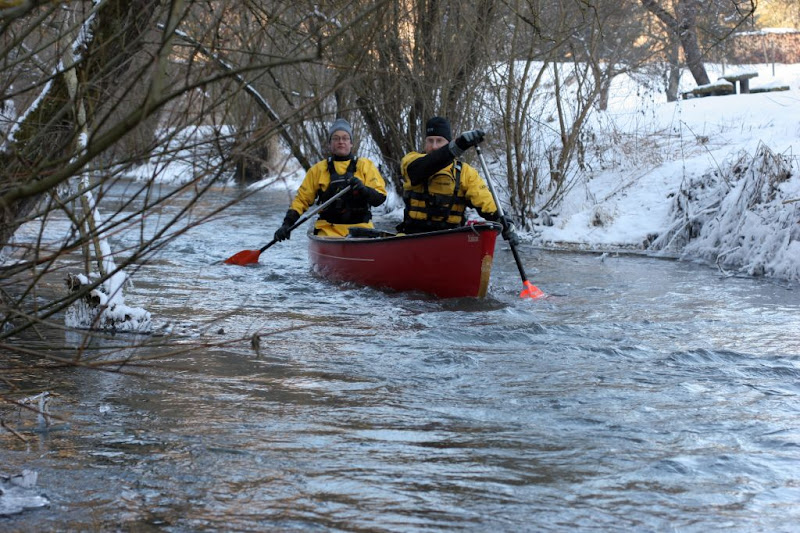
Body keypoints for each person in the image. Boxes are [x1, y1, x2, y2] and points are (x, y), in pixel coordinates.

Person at [398, 116, 519, 243]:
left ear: (448, 142)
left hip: (452, 240)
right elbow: (424, 167)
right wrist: (459, 145)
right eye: (430, 141)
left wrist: (505, 222)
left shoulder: (466, 173)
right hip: (413, 237)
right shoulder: (411, 161)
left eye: (439, 141)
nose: (434, 146)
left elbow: (486, 203)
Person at [274, 118, 387, 240]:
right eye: (336, 138)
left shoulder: (366, 166)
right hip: (327, 231)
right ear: (330, 144)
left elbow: (379, 198)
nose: (341, 142)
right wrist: (287, 224)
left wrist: (364, 189)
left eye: (345, 138)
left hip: (362, 230)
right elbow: (301, 200)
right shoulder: (318, 170)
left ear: (351, 143)